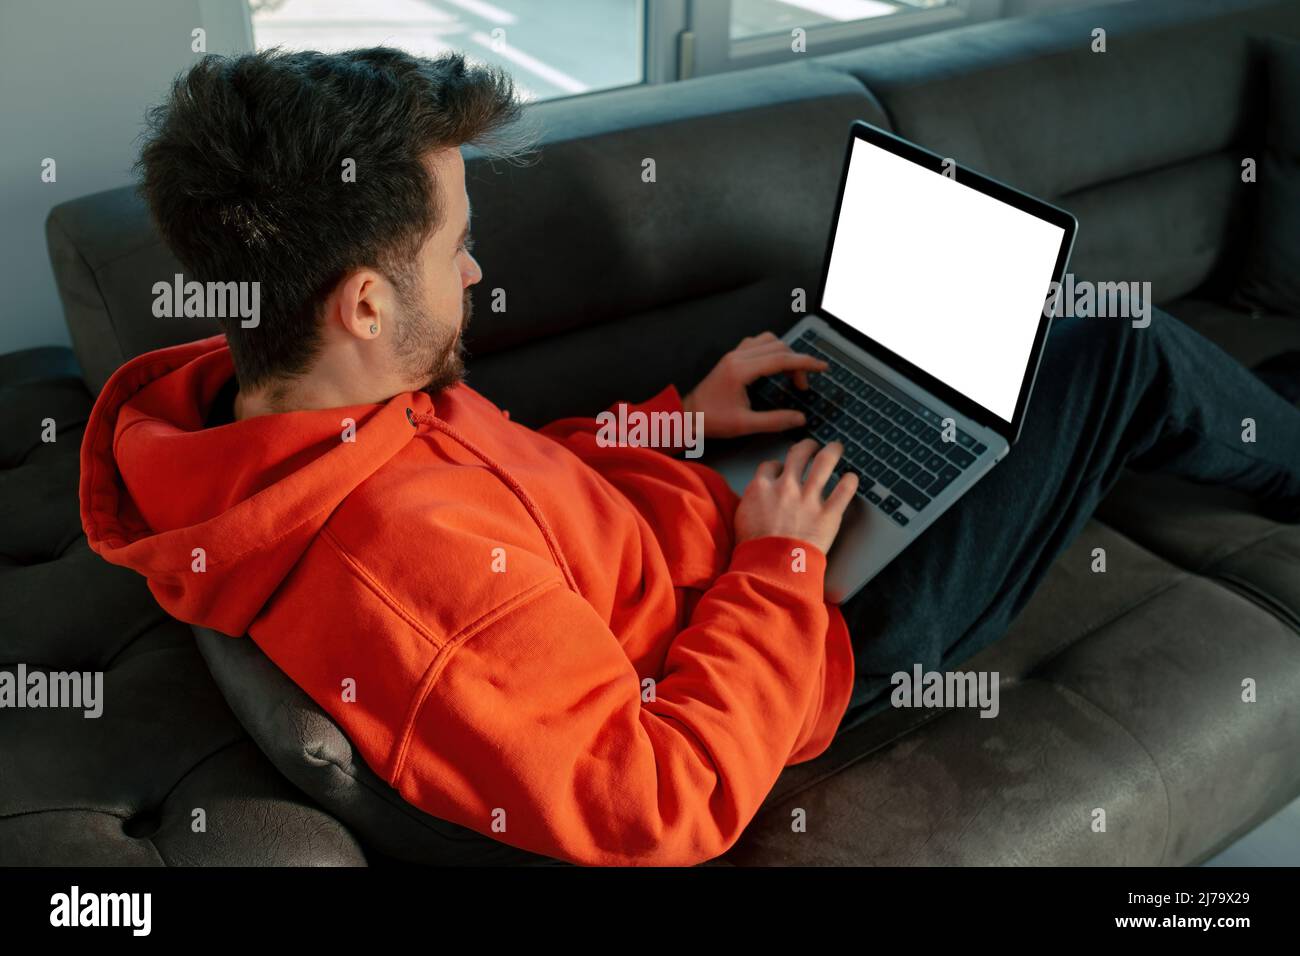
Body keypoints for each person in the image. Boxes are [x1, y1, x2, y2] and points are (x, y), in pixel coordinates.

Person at [79, 47, 1300, 867]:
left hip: (725, 535)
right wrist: (777, 566)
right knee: (1109, 341)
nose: (472, 273)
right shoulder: (408, 578)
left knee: (906, 363)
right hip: (796, 638)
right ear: (356, 303)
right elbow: (661, 800)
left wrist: (683, 419)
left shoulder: (269, 416)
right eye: (454, 246)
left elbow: (511, 488)